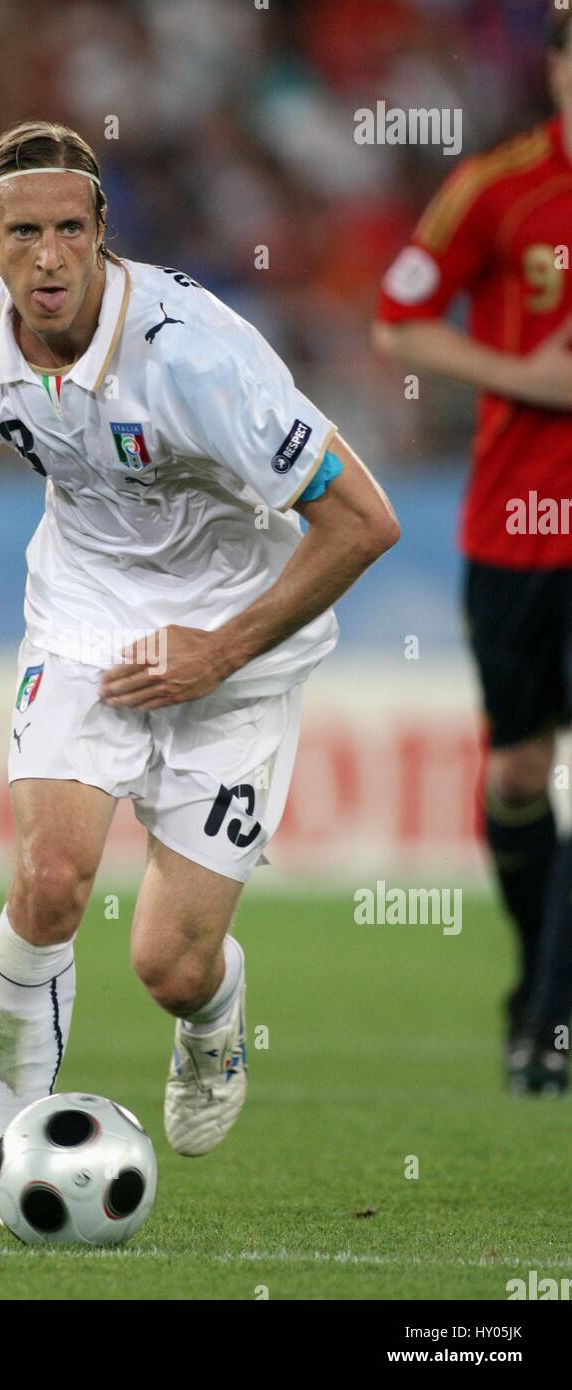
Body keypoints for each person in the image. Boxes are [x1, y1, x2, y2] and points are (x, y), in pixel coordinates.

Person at [0, 120, 399, 1226]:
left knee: (170, 967)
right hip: (87, 623)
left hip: (239, 641)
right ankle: (3, 1166)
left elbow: (364, 520)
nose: (49, 257)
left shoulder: (194, 353)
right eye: (24, 233)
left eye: (70, 231)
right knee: (50, 882)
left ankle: (214, 1015)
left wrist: (220, 649)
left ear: (102, 235)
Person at [374, 13, 572, 1095]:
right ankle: (532, 998)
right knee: (517, 772)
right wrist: (533, 375)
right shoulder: (498, 190)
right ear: (556, 67)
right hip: (516, 529)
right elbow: (399, 321)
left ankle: (550, 1027)